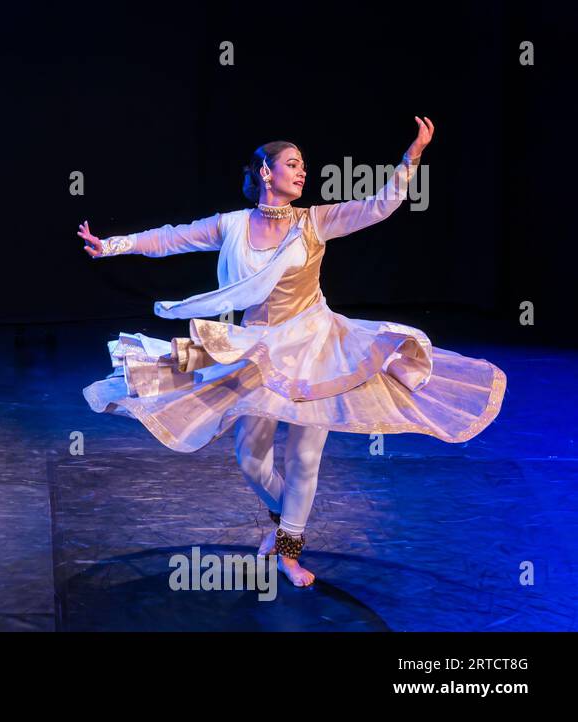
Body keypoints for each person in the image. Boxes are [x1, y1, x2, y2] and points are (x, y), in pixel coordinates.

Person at [79, 117, 506, 587]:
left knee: (304, 459)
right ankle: (287, 527)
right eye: (293, 164)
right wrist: (112, 245)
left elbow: (379, 207)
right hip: (256, 348)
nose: (303, 173)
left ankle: (289, 550)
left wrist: (412, 157)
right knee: (251, 459)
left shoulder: (314, 222)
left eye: (303, 166)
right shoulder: (232, 226)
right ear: (266, 172)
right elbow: (170, 237)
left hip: (315, 347)